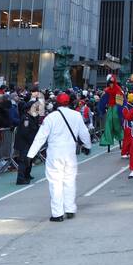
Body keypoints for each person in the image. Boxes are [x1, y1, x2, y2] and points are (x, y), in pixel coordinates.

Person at [25, 93, 91, 222]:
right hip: (70, 153)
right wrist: (87, 146)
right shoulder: (76, 115)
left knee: (55, 183)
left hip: (55, 154)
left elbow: (41, 137)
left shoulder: (51, 118)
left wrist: (30, 155)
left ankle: (57, 213)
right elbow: (84, 133)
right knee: (70, 181)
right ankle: (70, 209)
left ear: (57, 103)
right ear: (69, 102)